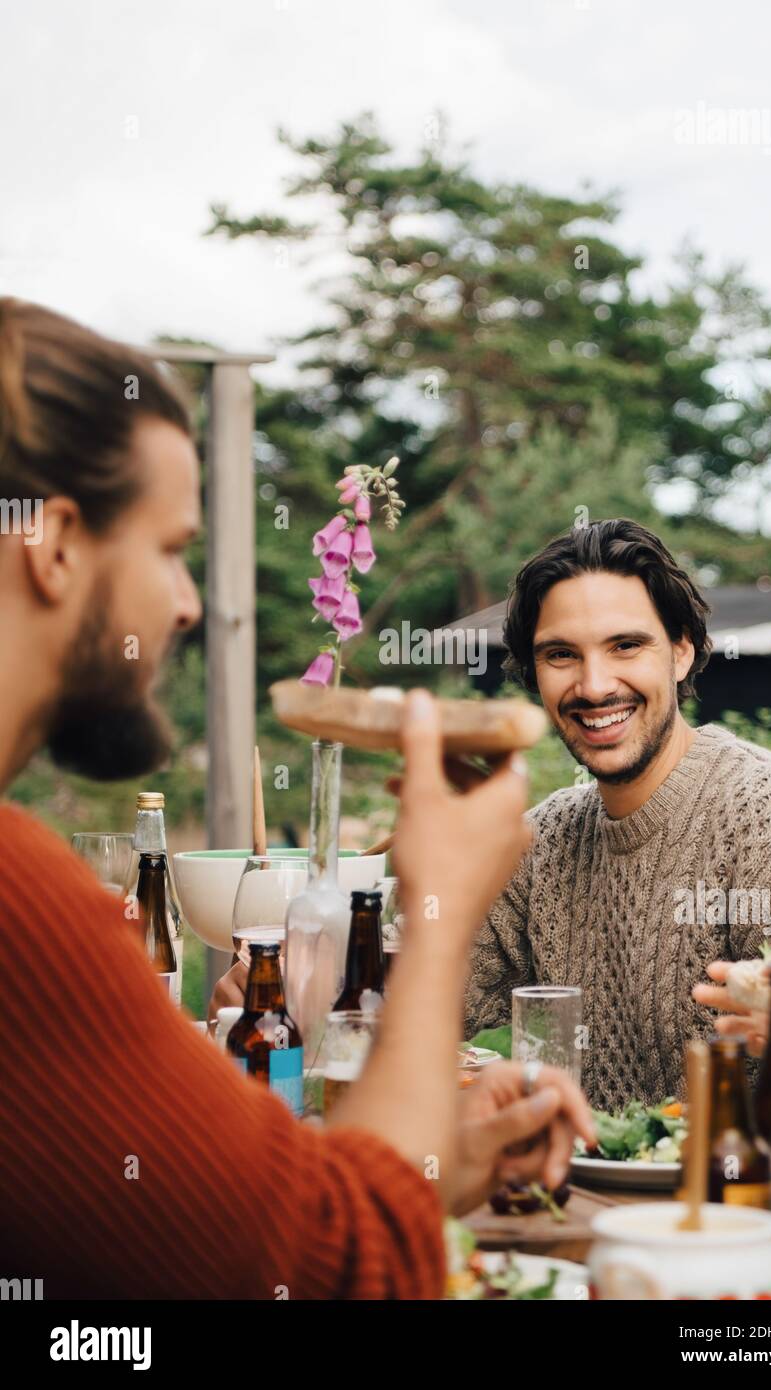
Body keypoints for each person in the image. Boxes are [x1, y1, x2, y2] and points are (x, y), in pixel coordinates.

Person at [0, 298, 593, 1300]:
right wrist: (438, 905)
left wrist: (439, 1142)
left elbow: (221, 1221)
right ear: (54, 542)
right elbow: (336, 1268)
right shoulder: (24, 905)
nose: (188, 602)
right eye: (172, 546)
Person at [462, 521, 771, 1111]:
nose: (595, 686)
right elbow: (431, 1014)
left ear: (681, 650)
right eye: (560, 655)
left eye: (626, 645)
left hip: (755, 1197)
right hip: (570, 1196)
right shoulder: (540, 841)